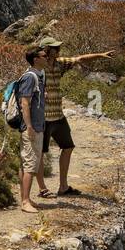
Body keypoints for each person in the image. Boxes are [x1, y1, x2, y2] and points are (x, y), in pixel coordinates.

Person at [33, 37, 114, 198]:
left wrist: (101, 55)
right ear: (47, 50)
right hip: (43, 118)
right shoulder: (37, 68)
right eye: (55, 48)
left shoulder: (59, 63)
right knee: (40, 153)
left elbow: (79, 59)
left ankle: (63, 187)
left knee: (68, 147)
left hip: (58, 116)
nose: (59, 50)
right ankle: (42, 188)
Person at [15, 48, 48, 213]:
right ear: (35, 59)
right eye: (44, 56)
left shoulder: (38, 76)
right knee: (30, 164)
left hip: (36, 125)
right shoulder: (30, 77)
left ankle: (25, 198)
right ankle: (25, 201)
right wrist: (29, 126)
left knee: (26, 163)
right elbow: (25, 103)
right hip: (32, 127)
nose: (47, 58)